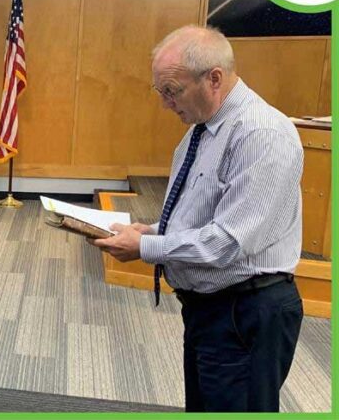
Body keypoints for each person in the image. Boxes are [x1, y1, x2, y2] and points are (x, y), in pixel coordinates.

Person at [93, 25, 304, 412]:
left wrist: (146, 246)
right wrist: (151, 230)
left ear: (214, 79)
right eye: (161, 92)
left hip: (246, 313)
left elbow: (227, 242)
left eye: (171, 91)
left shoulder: (262, 133)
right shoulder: (202, 129)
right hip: (210, 309)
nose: (165, 104)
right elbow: (204, 214)